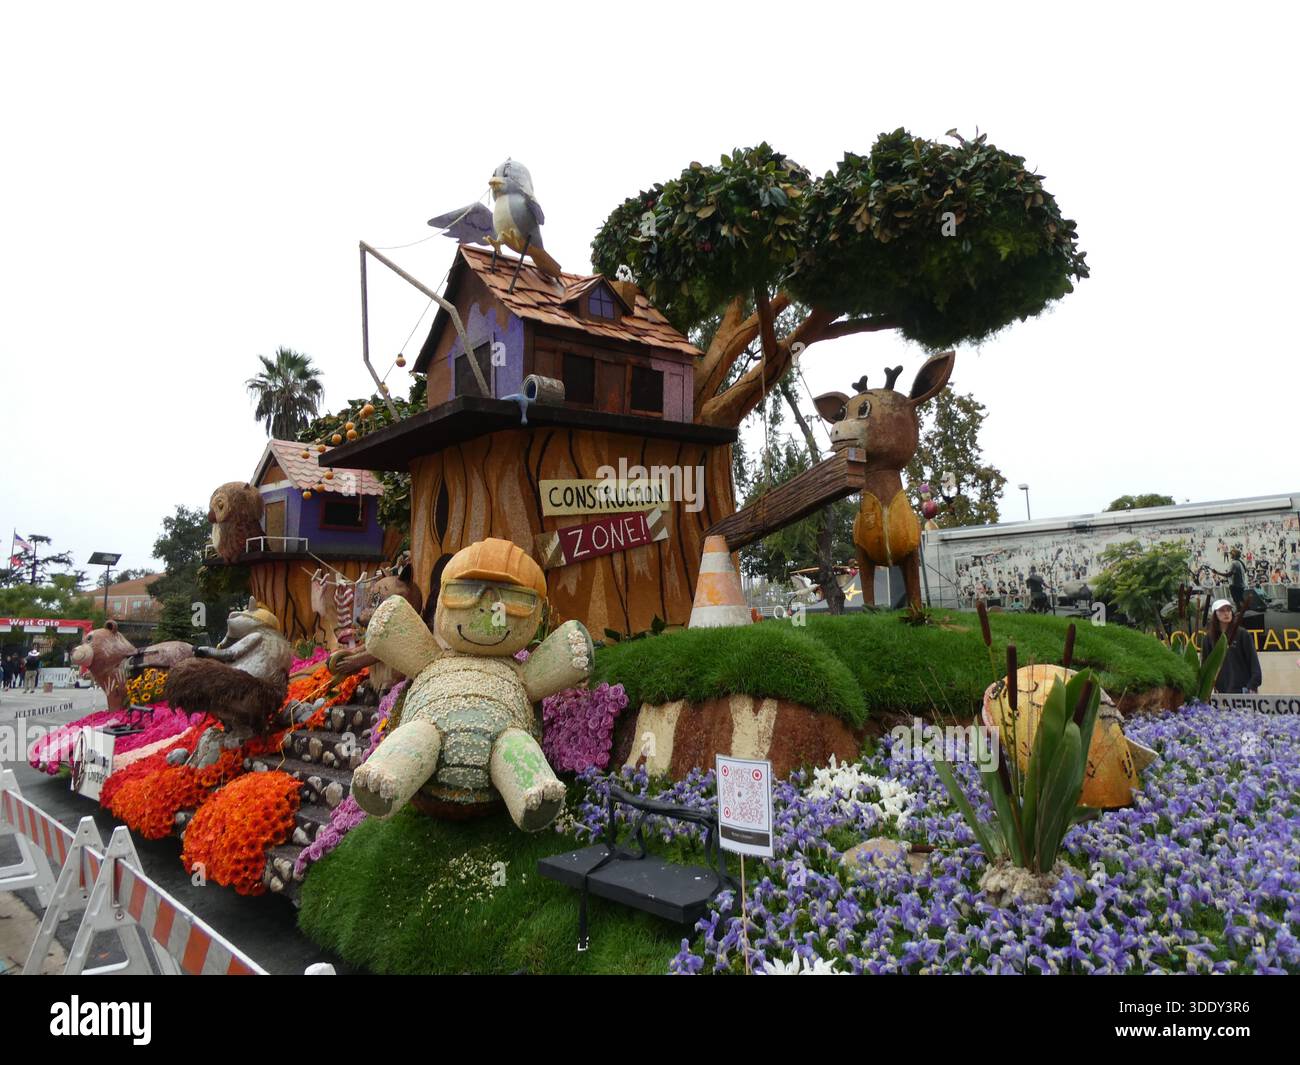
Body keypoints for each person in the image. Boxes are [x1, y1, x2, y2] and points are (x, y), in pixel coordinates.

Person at [1202, 598, 1262, 694]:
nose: (1226, 613)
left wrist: (1253, 685)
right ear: (1214, 614)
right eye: (1222, 610)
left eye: (1228, 610)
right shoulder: (1209, 638)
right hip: (1221, 691)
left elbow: (1253, 661)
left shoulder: (1242, 634)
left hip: (1244, 689)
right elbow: (1206, 665)